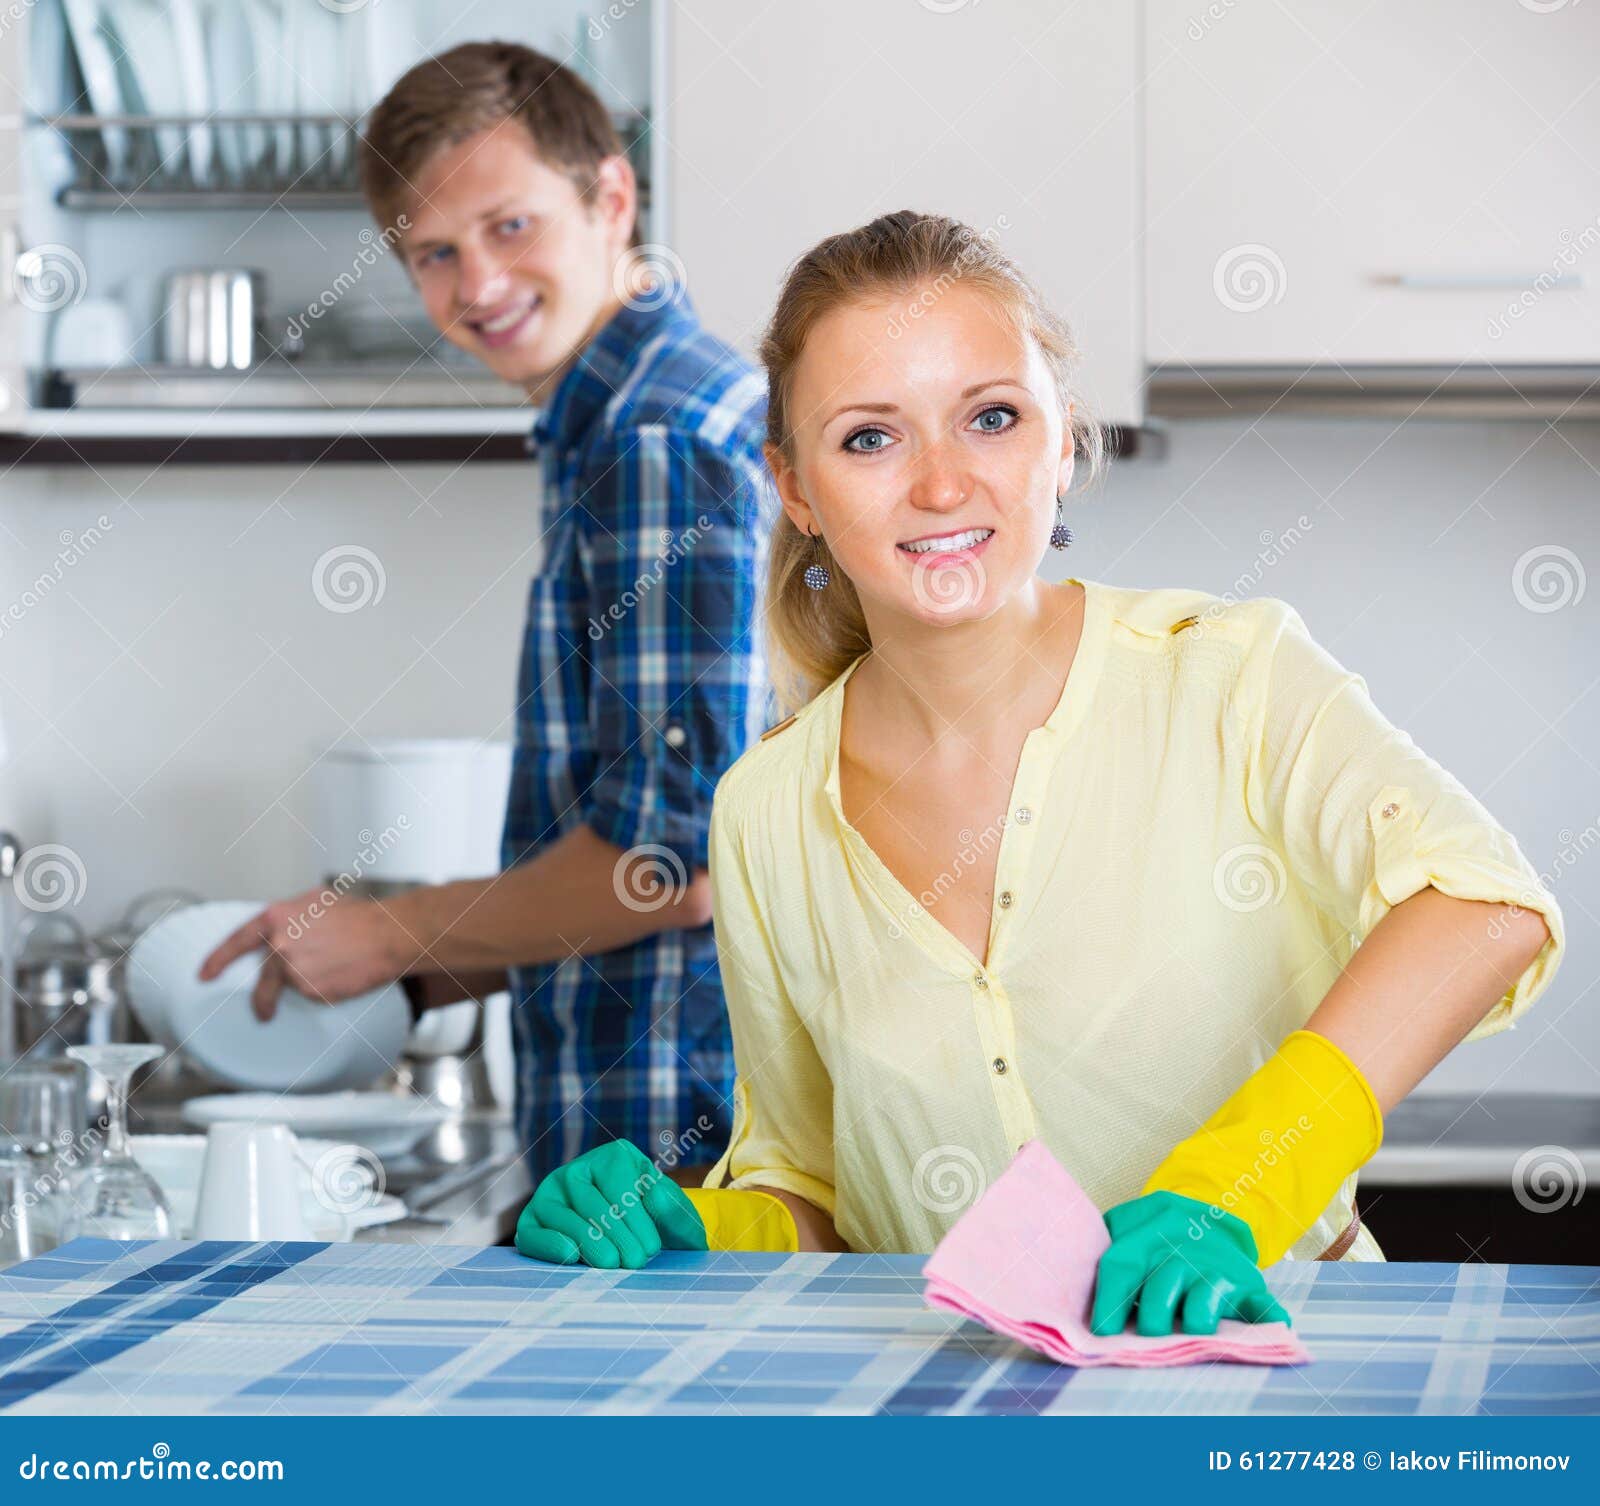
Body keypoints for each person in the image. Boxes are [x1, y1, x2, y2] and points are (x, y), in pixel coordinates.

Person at [510, 211, 1564, 1335]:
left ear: (1061, 441)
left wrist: (1239, 1187)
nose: (942, 484)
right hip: (955, 1411)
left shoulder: (1228, 676)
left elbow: (1481, 906)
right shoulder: (764, 812)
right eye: (871, 437)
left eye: (993, 418)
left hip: (1273, 1375)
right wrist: (697, 1228)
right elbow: (816, 1191)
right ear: (796, 490)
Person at [198, 44, 775, 1184]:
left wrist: (395, 931)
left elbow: (672, 865)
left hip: (677, 1138)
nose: (477, 288)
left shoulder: (651, 440)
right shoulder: (624, 420)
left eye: (510, 227)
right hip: (653, 1118)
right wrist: (404, 964)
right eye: (435, 253)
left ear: (612, 198)